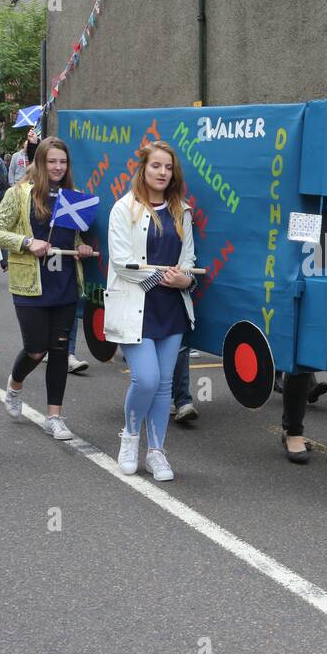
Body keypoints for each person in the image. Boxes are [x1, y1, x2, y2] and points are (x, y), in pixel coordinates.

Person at [0, 136, 96, 439]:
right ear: (40, 163)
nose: (58, 167)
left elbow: (75, 238)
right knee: (36, 350)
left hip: (64, 283)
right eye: (52, 161)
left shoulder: (73, 196)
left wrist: (83, 247)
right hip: (30, 284)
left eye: (63, 161)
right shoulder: (18, 193)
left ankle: (54, 417)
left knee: (59, 351)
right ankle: (15, 383)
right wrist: (26, 242)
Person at [104, 141, 197, 479]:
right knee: (146, 379)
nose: (162, 172)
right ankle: (130, 437)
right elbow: (121, 262)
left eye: (168, 167)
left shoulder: (181, 211)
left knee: (164, 384)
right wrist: (163, 277)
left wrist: (185, 280)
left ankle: (156, 452)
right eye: (156, 166)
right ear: (143, 168)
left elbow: (188, 259)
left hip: (171, 307)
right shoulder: (123, 208)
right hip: (135, 307)